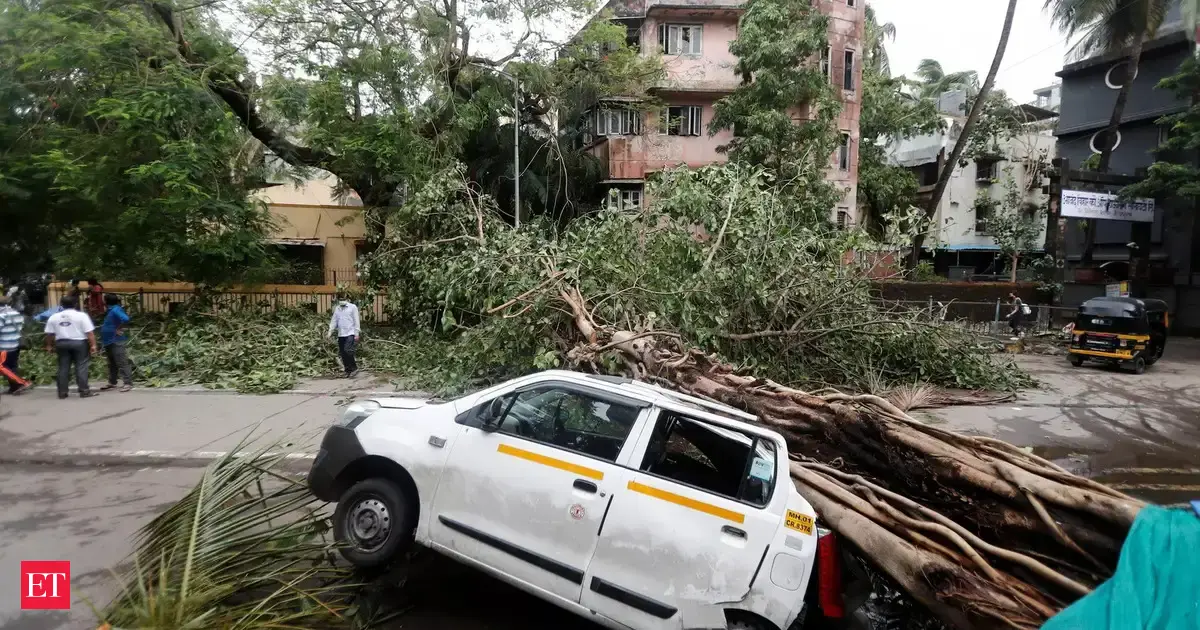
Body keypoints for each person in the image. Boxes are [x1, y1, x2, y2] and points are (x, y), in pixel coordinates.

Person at [44, 295, 98, 398]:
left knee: (63, 367)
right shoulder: (82, 316)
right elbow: (89, 332)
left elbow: (49, 334)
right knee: (81, 366)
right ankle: (84, 391)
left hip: (61, 343)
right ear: (76, 304)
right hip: (79, 343)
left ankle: (62, 392)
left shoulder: (54, 317)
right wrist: (93, 345)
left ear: (61, 305)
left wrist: (49, 346)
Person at [99, 294, 133, 392]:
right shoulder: (111, 310)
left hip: (116, 340)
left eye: (103, 300)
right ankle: (112, 382)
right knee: (112, 363)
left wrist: (118, 328)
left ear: (106, 301)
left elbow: (126, 319)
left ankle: (127, 383)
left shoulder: (116, 309)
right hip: (109, 340)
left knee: (121, 362)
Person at [0, 295, 32, 396]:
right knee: (12, 366)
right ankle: (14, 388)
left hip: (4, 346)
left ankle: (21, 383)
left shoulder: (1, 315)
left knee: (3, 367)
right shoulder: (16, 313)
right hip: (15, 344)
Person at [327, 294, 361, 377]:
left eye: (343, 299)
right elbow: (334, 321)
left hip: (350, 333)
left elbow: (356, 320)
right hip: (341, 334)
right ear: (338, 300)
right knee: (343, 353)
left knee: (347, 350)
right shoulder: (337, 309)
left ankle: (354, 368)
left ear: (347, 299)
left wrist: (357, 333)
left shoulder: (352, 307)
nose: (342, 300)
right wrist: (330, 332)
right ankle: (347, 370)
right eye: (340, 299)